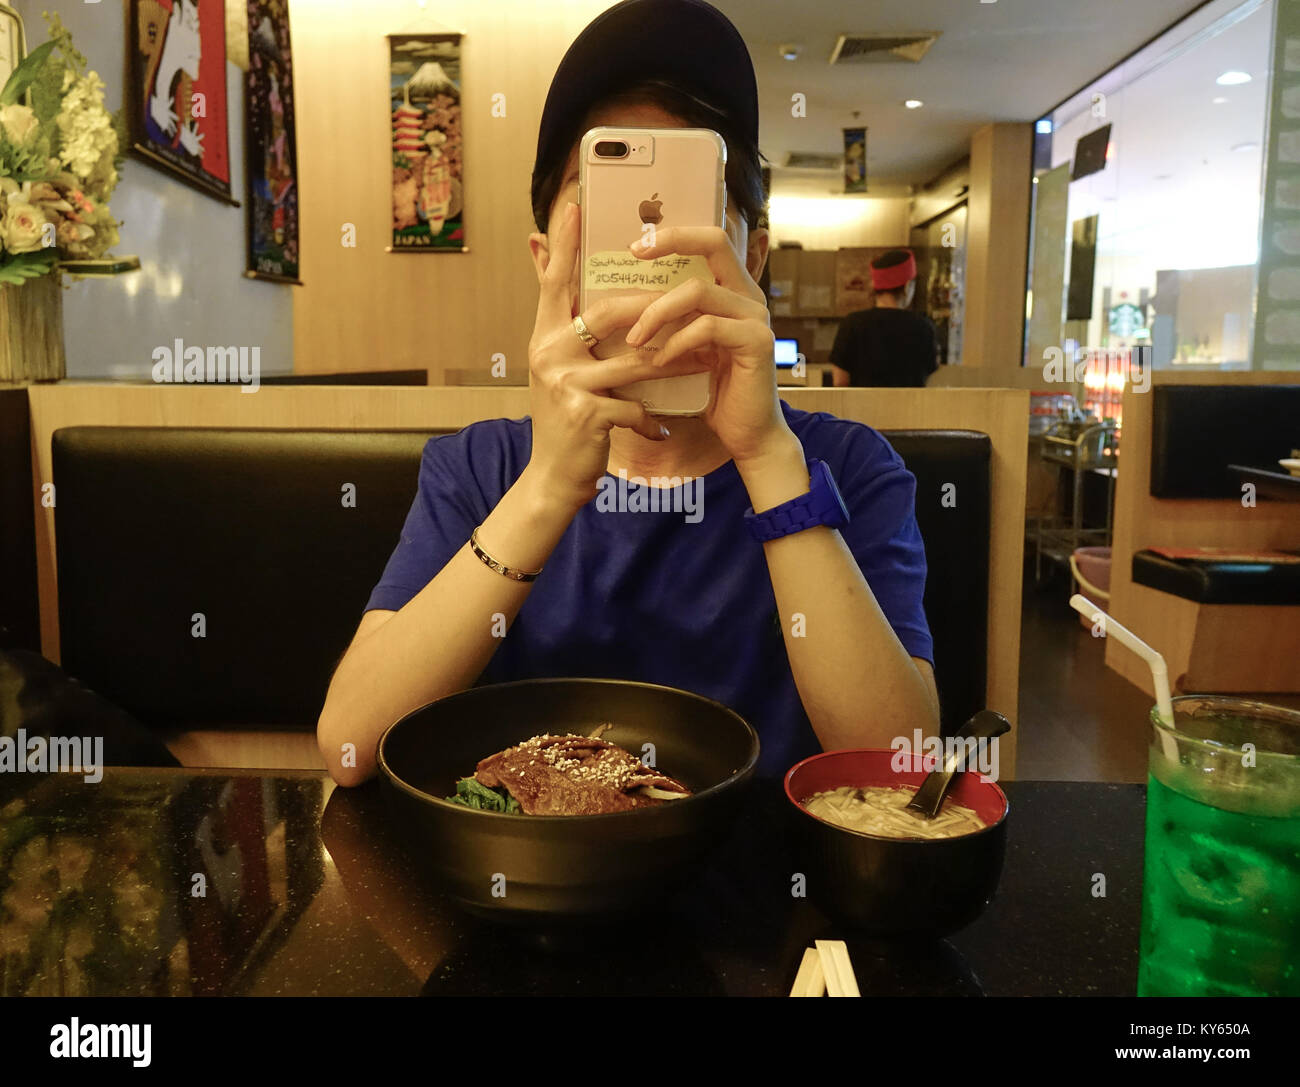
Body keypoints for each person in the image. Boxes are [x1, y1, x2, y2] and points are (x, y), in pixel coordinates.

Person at [317, 0, 939, 787]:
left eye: (687, 204)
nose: (653, 248)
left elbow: (901, 771)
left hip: (776, 897)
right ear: (549, 259)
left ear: (756, 256)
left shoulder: (845, 466)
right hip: (536, 891)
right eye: (615, 212)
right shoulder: (479, 468)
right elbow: (348, 747)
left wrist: (766, 453)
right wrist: (547, 486)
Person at [831, 249, 940, 387]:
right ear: (907, 287)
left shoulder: (852, 323)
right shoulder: (924, 327)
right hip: (910, 408)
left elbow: (840, 382)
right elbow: (929, 377)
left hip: (861, 408)